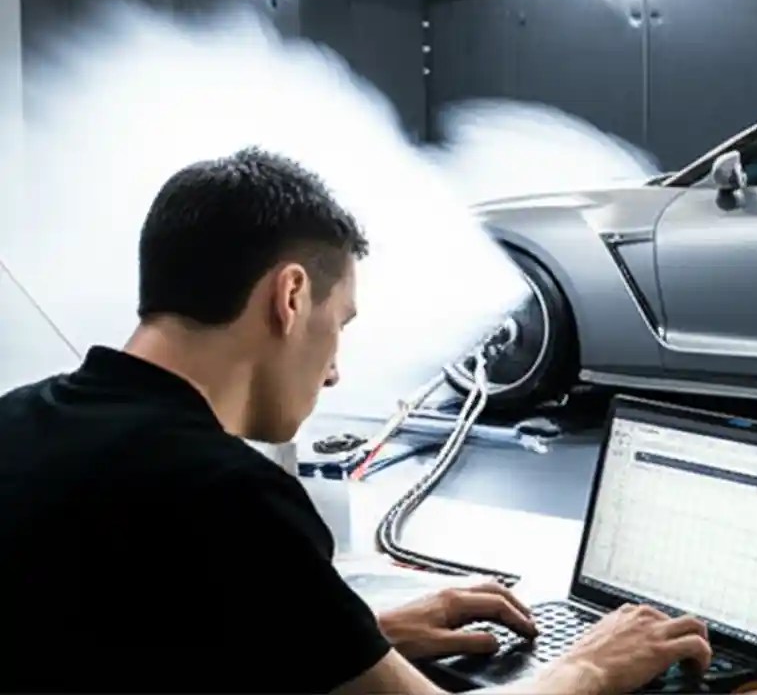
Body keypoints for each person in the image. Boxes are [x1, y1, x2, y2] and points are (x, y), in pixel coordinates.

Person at [0, 147, 712, 694]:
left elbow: (141, 640)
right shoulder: (226, 494)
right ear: (290, 295)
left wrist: (360, 634)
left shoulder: (20, 421)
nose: (335, 369)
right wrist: (591, 665)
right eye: (338, 325)